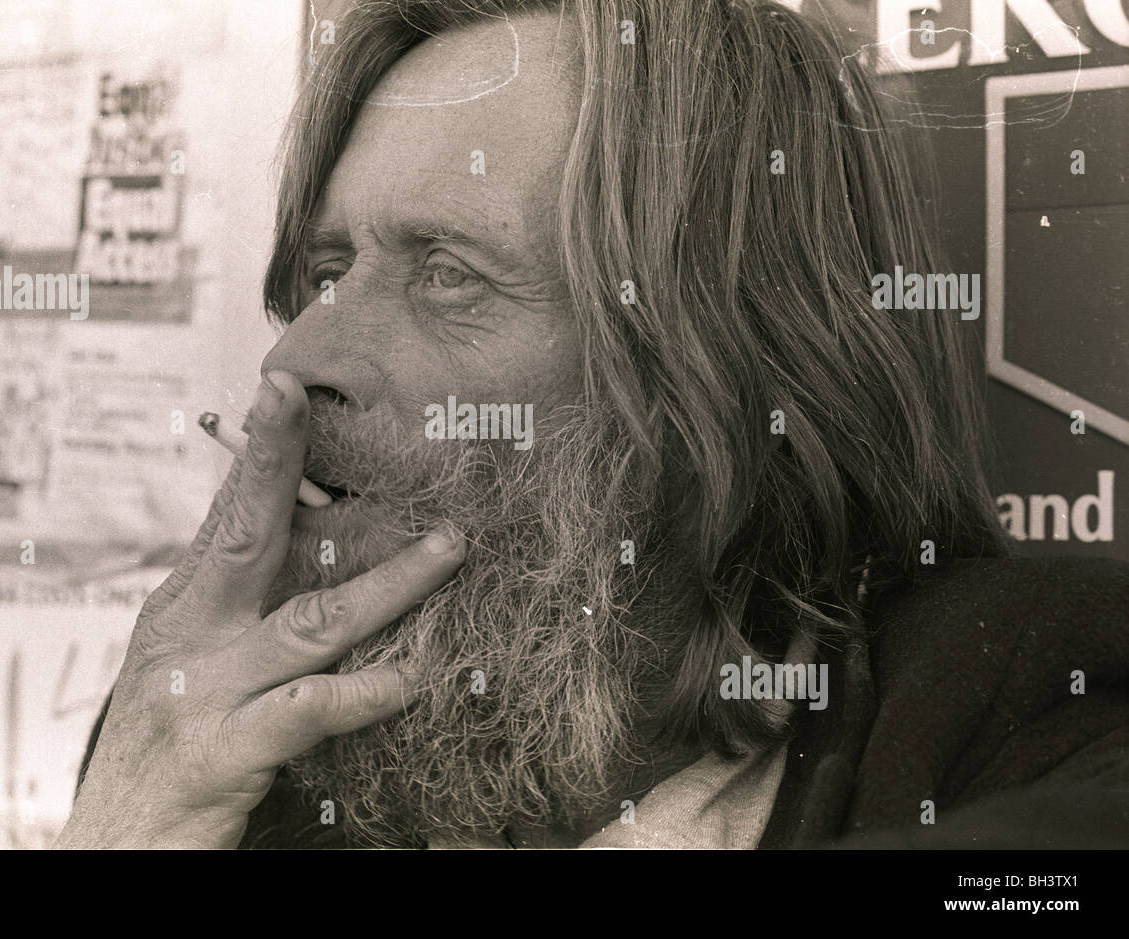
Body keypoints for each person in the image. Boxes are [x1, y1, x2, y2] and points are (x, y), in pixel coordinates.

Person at [55, 0, 1129, 850]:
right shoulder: (226, 747)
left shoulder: (1033, 707)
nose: (294, 361)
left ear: (725, 367)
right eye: (329, 271)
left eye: (446, 275)